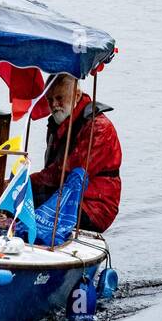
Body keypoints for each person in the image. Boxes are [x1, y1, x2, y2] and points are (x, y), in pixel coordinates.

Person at [30, 73, 122, 232]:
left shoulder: (98, 128)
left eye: (59, 98)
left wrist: (24, 183)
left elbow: (67, 173)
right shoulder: (57, 124)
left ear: (77, 95)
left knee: (24, 202)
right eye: (50, 100)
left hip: (94, 206)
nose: (54, 105)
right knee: (20, 201)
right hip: (65, 194)